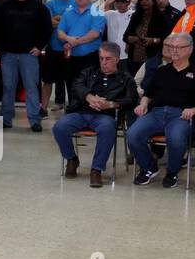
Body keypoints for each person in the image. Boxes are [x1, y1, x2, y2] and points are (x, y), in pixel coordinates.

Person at [127, 33, 195, 188]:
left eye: (179, 47)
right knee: (132, 134)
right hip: (156, 113)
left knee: (175, 137)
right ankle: (149, 168)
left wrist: (194, 109)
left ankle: (172, 171)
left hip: (181, 116)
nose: (174, 51)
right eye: (172, 47)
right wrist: (143, 104)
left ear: (190, 49)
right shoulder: (161, 71)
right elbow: (148, 94)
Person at [53, 43, 138, 188]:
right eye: (101, 58)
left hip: (106, 116)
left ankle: (96, 169)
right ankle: (72, 159)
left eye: (108, 59)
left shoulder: (126, 78)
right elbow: (77, 86)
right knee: (59, 127)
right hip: (82, 111)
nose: (103, 62)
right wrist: (89, 97)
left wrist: (111, 104)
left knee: (107, 129)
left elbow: (132, 99)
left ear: (117, 59)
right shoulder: (89, 72)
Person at [0, 0, 50, 131]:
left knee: (31, 87)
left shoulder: (39, 8)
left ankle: (35, 120)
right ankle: (6, 119)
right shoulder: (4, 7)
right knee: (8, 87)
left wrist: (39, 46)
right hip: (8, 55)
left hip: (29, 56)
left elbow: (47, 30)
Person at [55, 0, 103, 104]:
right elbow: (60, 32)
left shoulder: (97, 12)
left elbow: (94, 34)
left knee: (89, 88)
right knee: (71, 86)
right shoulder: (68, 13)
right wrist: (67, 38)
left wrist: (73, 42)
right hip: (71, 58)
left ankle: (88, 114)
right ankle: (72, 112)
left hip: (90, 58)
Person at [42, 0, 76, 111]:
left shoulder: (76, 3)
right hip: (53, 48)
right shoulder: (50, 4)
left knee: (71, 81)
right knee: (49, 80)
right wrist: (63, 21)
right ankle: (45, 108)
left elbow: (74, 23)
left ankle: (72, 107)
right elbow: (48, 23)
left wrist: (58, 19)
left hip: (71, 49)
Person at [123, 0, 170, 75]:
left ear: (153, 0)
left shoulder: (161, 17)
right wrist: (135, 39)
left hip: (152, 59)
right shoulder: (135, 16)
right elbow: (125, 36)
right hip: (134, 59)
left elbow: (167, 39)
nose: (144, 1)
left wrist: (152, 40)